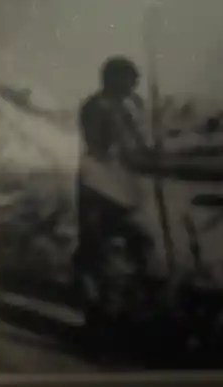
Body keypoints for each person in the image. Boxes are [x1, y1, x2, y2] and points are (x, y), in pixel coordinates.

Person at [74, 56, 156, 319]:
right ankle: (95, 309)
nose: (135, 83)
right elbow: (102, 146)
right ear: (113, 78)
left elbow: (139, 143)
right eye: (130, 78)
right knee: (95, 248)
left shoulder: (129, 104)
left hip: (119, 185)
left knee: (139, 241)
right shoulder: (97, 106)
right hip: (97, 185)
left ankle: (128, 300)